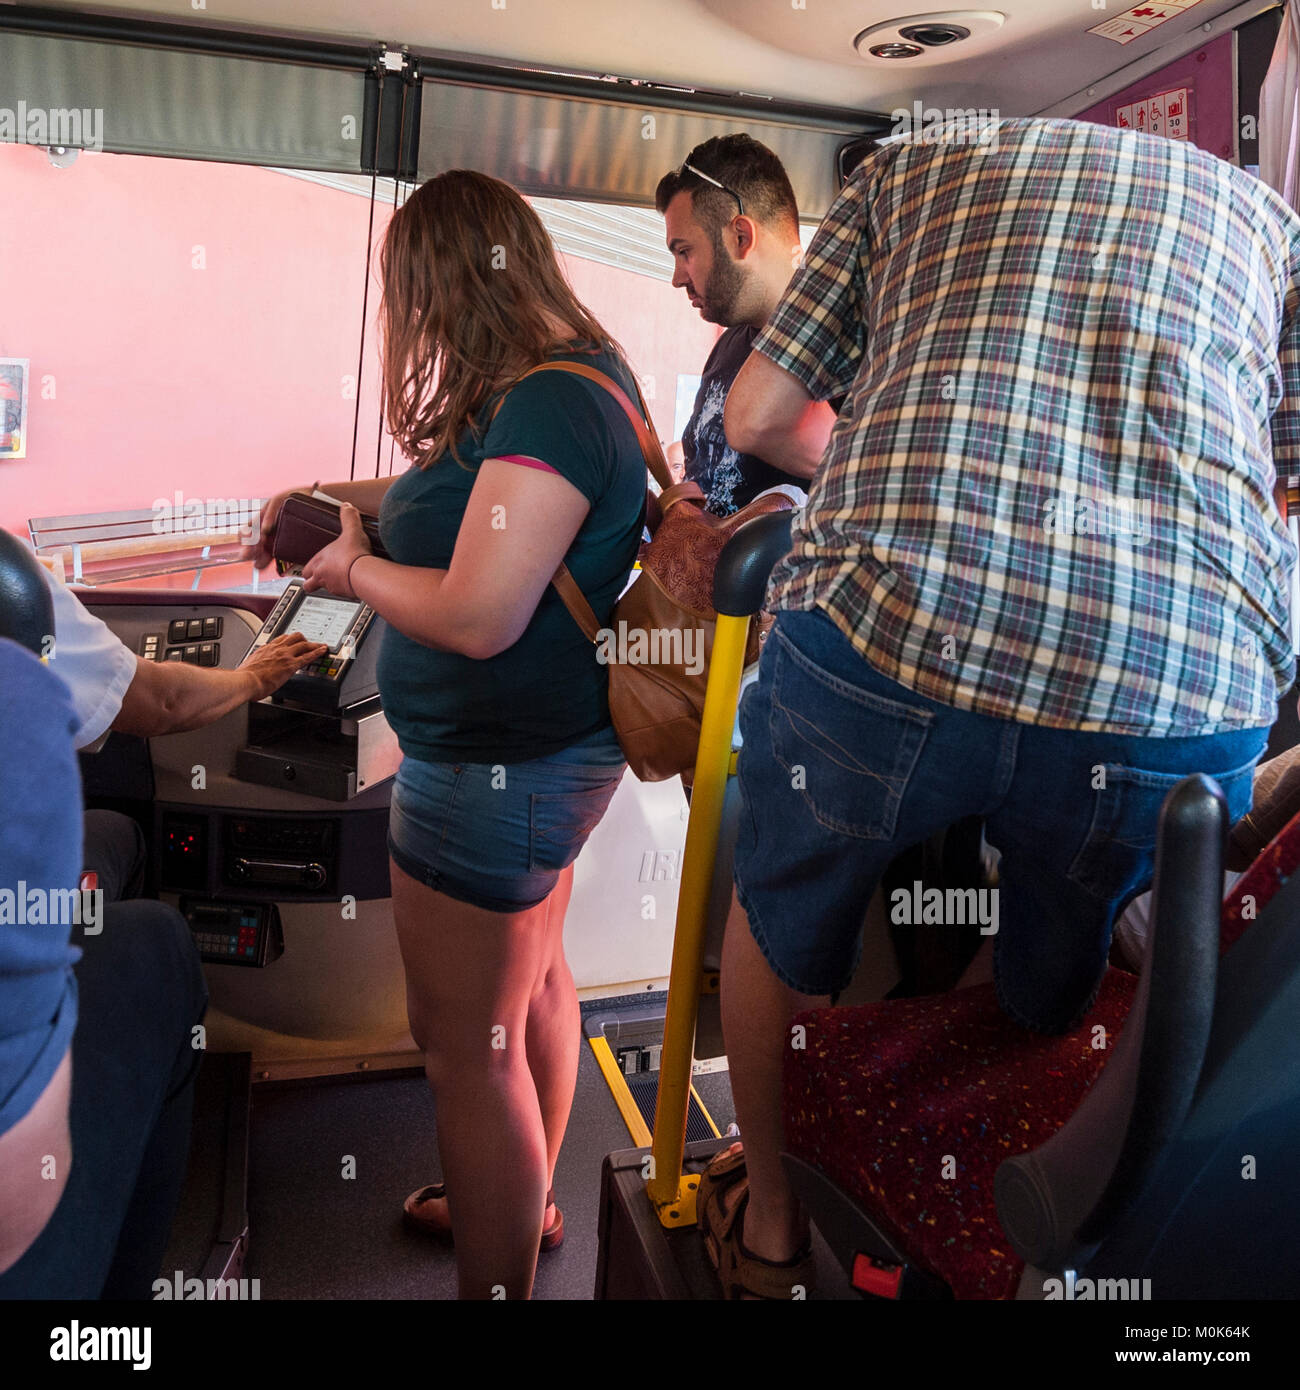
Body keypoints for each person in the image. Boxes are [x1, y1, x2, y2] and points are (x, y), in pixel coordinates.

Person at [706, 116, 1300, 1296]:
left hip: (890, 625)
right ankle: (1002, 1197)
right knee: (1060, 954)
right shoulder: (1269, 225)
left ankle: (770, 1230)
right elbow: (1279, 477)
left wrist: (910, 485)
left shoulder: (904, 171)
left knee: (783, 915)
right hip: (1178, 674)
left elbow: (758, 416)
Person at [247, 170, 647, 1299]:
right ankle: (521, 1210)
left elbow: (477, 613)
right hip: (540, 758)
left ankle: (496, 1273)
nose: (406, 319)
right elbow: (460, 497)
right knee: (532, 995)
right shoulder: (557, 383)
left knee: (466, 1047)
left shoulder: (547, 407)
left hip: (494, 773)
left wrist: (351, 567)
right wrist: (324, 493)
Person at [0, 638, 208, 1298]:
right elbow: (163, 699)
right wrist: (255, 675)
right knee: (156, 942)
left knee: (104, 840)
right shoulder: (20, 677)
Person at [37, 563, 326, 897]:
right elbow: (164, 703)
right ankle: (101, 941)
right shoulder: (15, 584)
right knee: (153, 911)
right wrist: (254, 678)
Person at [655, 135, 838, 514]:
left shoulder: (843, 347)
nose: (677, 277)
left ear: (741, 237)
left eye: (685, 252)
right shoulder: (728, 345)